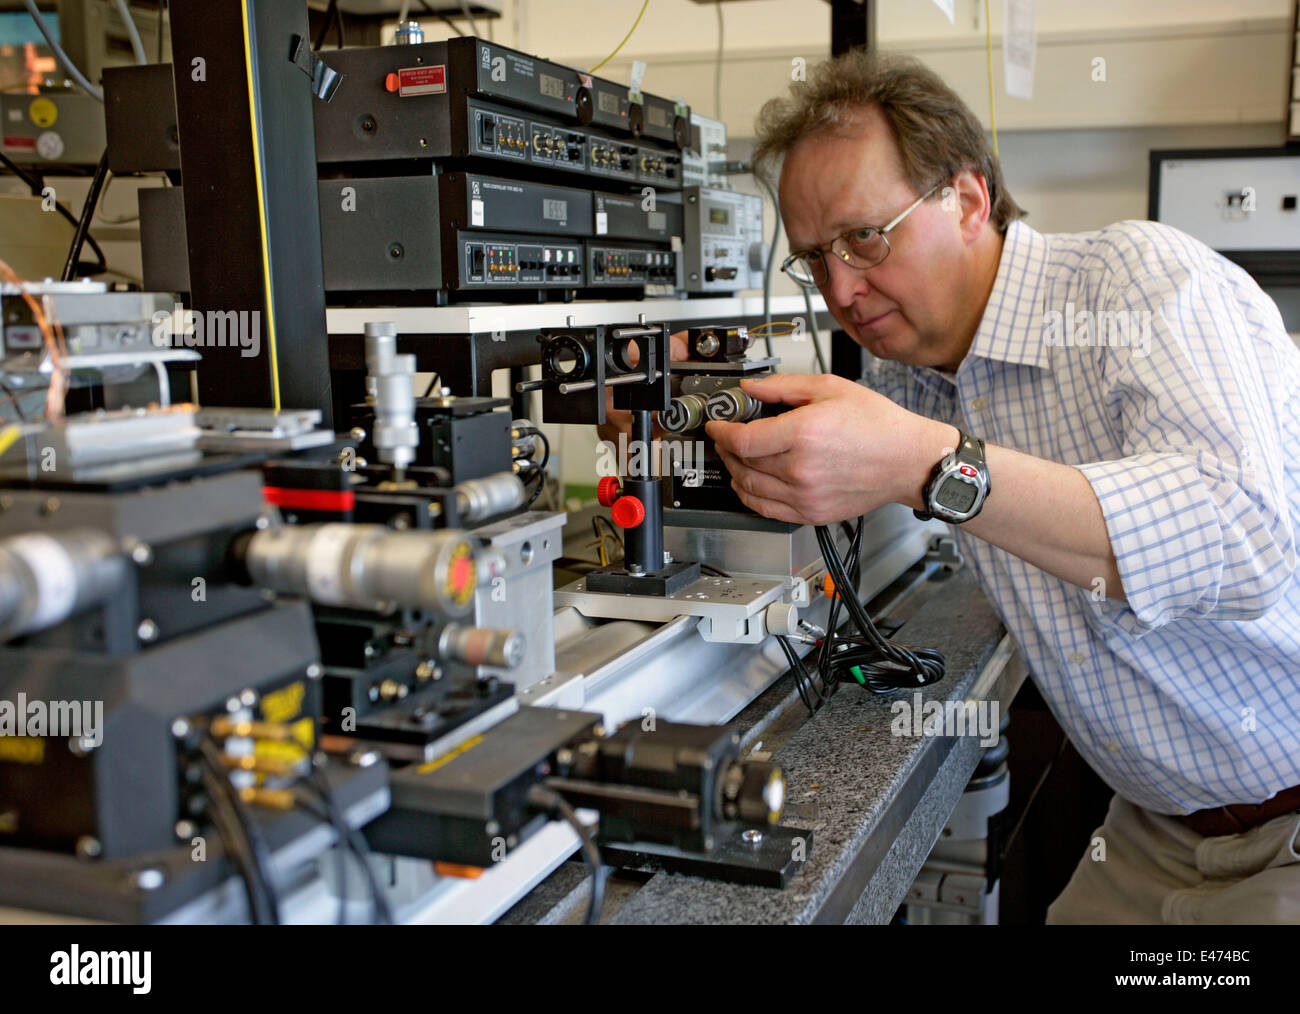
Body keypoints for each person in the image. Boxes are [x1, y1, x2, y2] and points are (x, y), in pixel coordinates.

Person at [691, 50, 1300, 924]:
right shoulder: (917, 374)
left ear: (969, 199)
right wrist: (690, 415)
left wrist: (928, 467)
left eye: (866, 237)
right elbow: (837, 438)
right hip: (1154, 832)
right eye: (815, 259)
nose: (841, 291)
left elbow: (1239, 536)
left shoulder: (1138, 280)